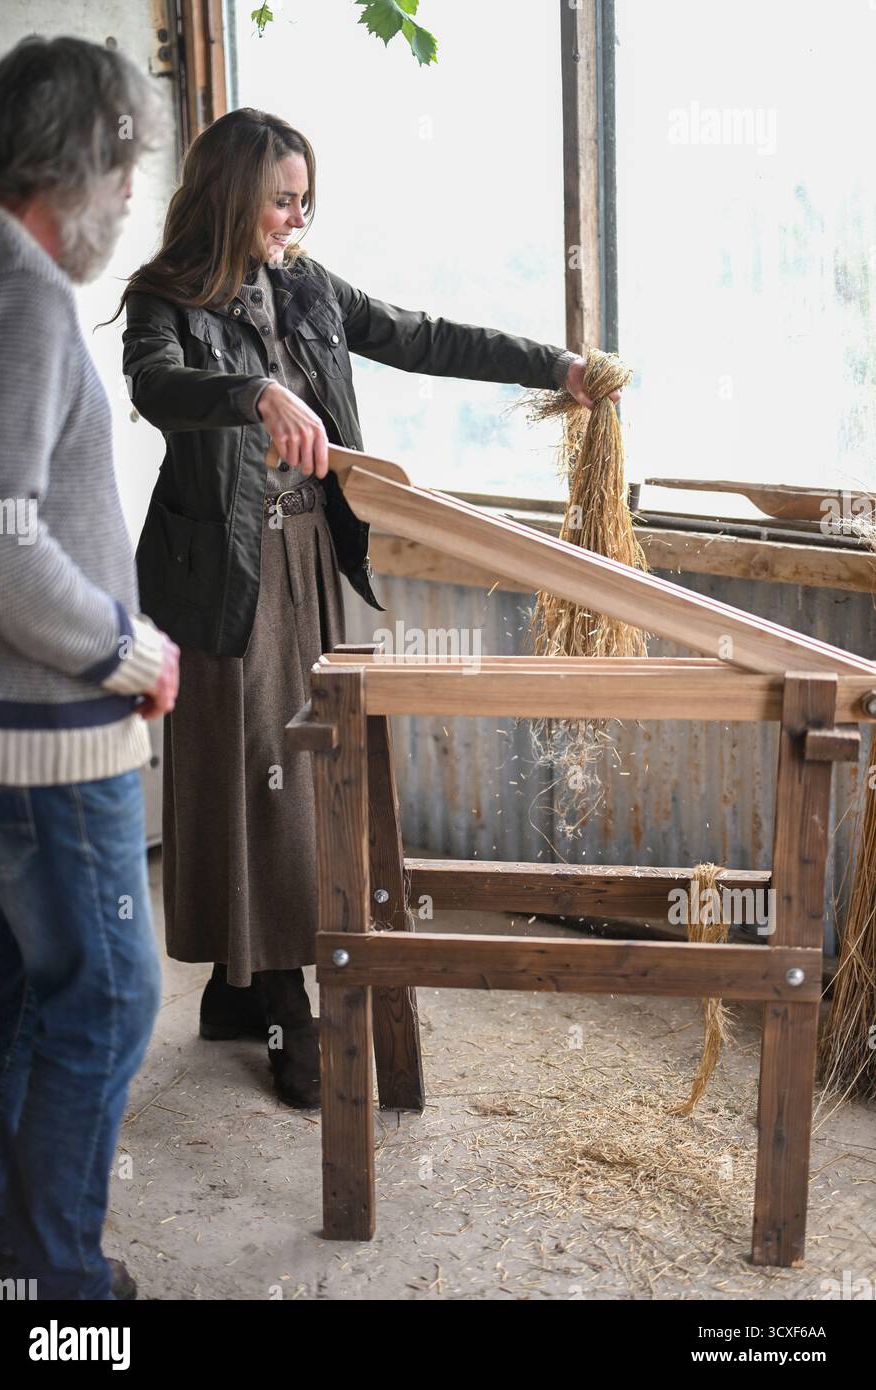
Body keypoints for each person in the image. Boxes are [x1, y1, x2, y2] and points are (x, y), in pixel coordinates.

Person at [118, 107, 620, 1110]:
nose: (294, 219)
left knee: (301, 768)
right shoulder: (163, 296)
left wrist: (553, 367)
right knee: (251, 776)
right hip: (222, 567)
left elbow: (421, 336)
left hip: (312, 555)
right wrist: (256, 393)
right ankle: (282, 997)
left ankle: (236, 983)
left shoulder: (309, 286)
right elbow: (158, 385)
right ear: (227, 193)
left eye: (305, 200)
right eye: (279, 199)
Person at [0, 36, 179, 1301]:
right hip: (52, 736)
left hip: (7, 735)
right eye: (124, 171)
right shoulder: (27, 296)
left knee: (19, 1002)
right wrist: (125, 644)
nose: (126, 201)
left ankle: (7, 1262)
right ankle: (60, 1299)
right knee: (107, 1002)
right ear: (80, 162)